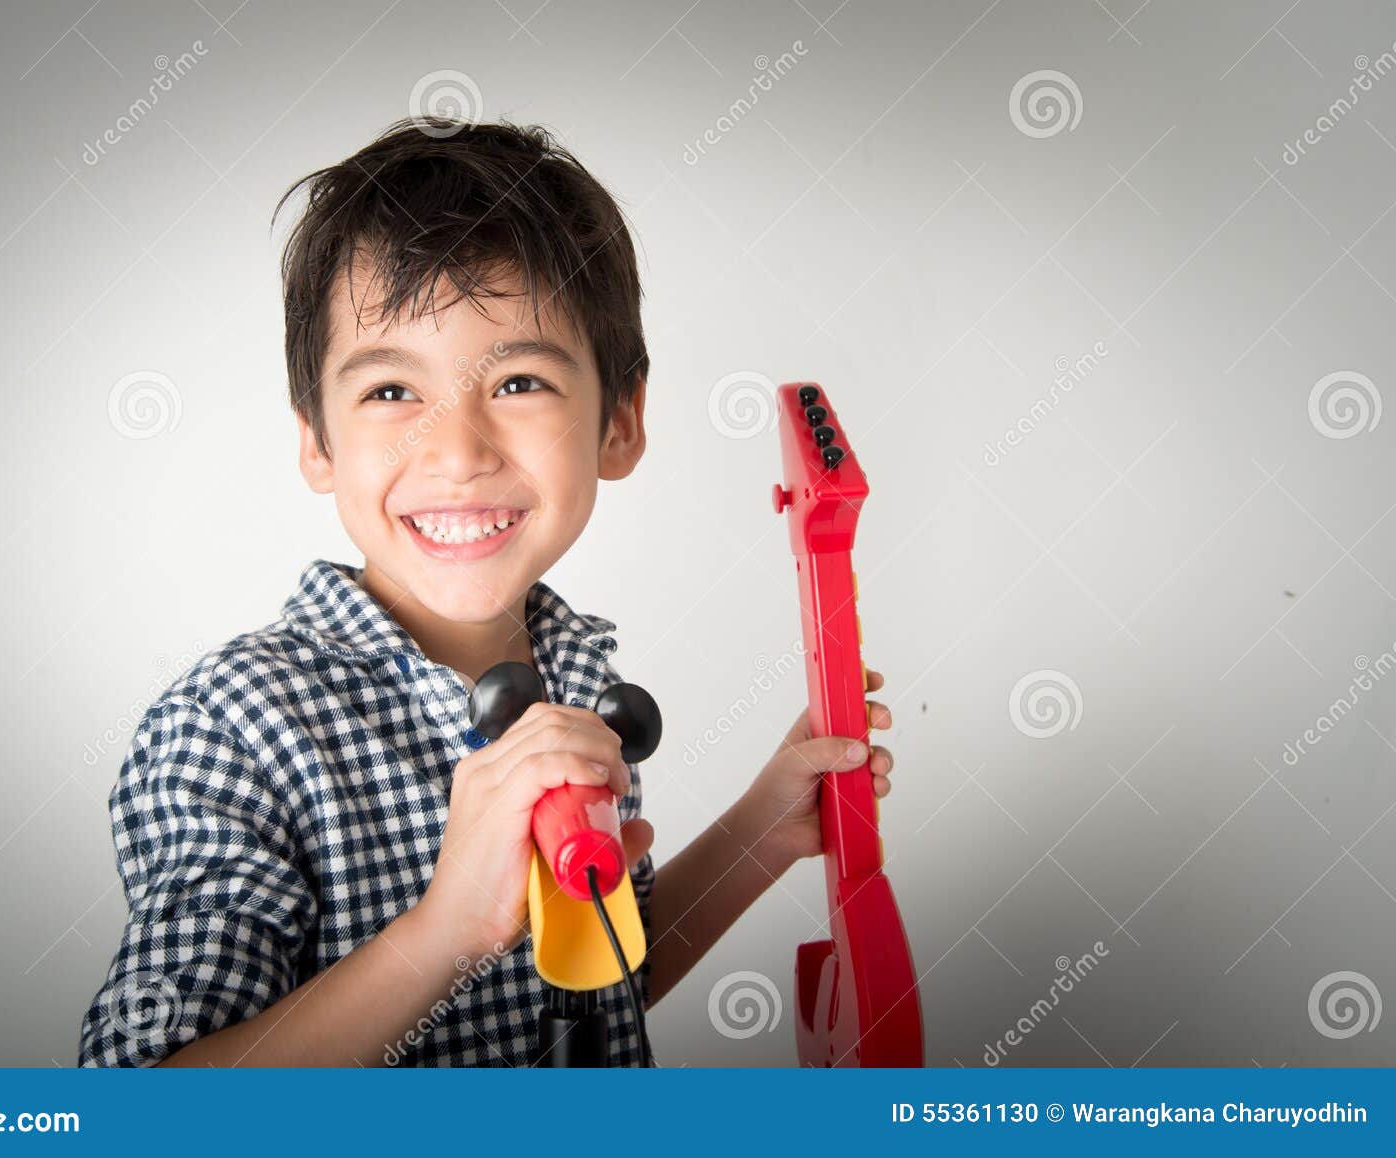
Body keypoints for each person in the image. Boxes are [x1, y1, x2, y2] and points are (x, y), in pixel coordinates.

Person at [78, 118, 896, 1067]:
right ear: (316, 440)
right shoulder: (233, 726)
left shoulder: (573, 674)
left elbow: (590, 984)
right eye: (389, 392)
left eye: (517, 381)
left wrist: (762, 829)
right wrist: (447, 931)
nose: (457, 451)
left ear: (620, 422)